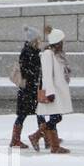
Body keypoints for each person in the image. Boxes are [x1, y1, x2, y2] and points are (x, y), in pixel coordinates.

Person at [34, 26, 72, 155]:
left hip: (58, 90)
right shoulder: (48, 54)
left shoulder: (58, 54)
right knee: (56, 117)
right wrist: (50, 92)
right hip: (53, 91)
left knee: (56, 116)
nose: (63, 43)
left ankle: (53, 146)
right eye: (61, 41)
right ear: (57, 42)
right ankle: (37, 137)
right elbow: (47, 75)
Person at [9, 27, 43, 149]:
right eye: (38, 39)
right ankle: (16, 140)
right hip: (28, 90)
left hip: (30, 89)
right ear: (33, 40)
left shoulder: (32, 51)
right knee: (28, 114)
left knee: (38, 113)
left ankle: (45, 137)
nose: (40, 41)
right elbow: (27, 72)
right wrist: (36, 80)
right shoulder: (28, 53)